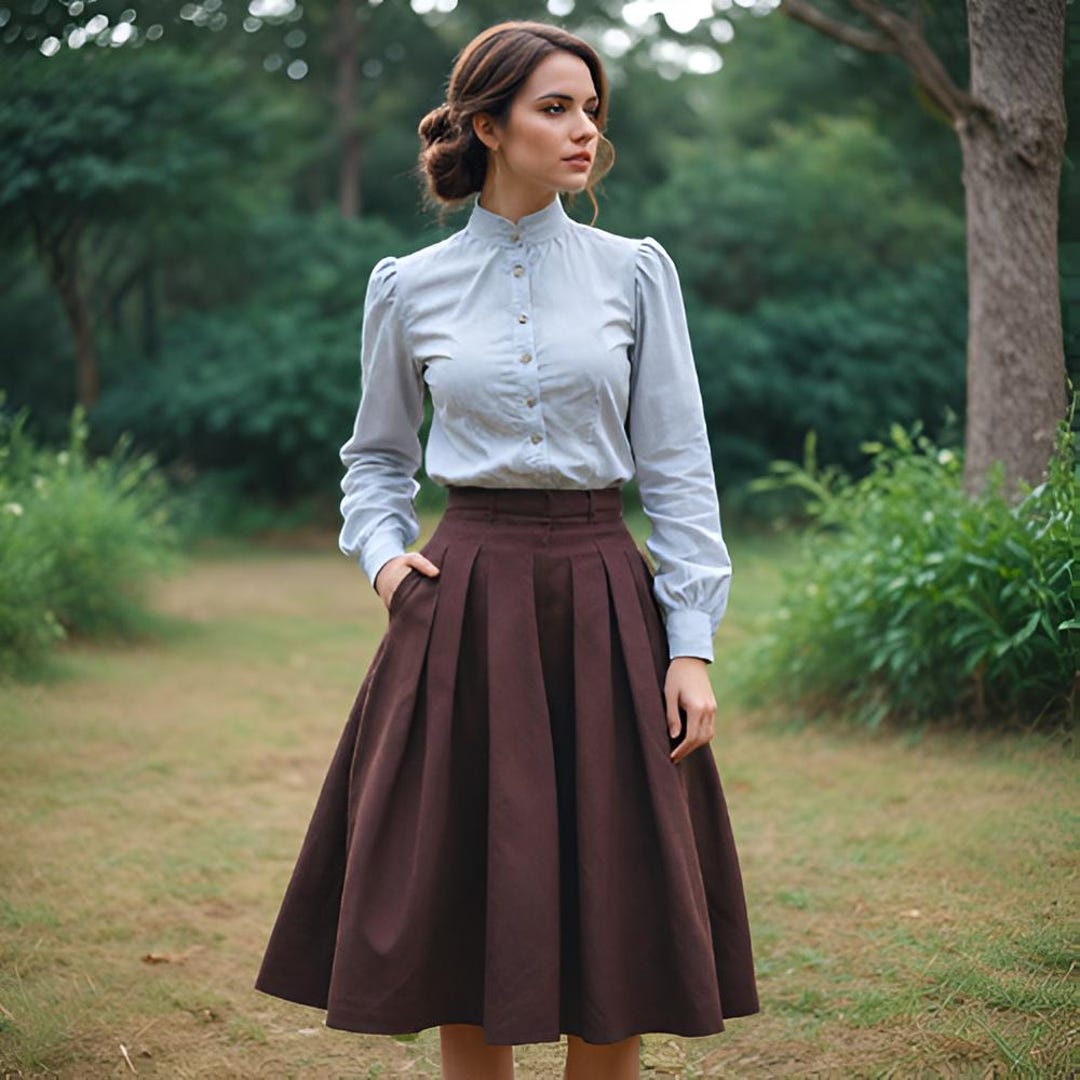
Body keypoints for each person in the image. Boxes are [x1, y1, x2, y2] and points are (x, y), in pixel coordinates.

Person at [254, 19, 758, 1080]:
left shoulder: (636, 272)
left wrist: (691, 641)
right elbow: (377, 459)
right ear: (489, 125)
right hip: (464, 601)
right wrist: (387, 561)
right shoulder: (407, 286)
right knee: (464, 895)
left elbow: (677, 465)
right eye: (556, 108)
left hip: (606, 593)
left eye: (591, 109)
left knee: (611, 898)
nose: (586, 132)